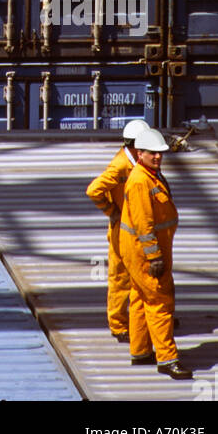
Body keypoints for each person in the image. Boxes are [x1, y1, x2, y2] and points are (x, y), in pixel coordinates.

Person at [120, 126, 191, 379]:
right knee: (160, 302)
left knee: (140, 298)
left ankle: (140, 352)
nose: (158, 157)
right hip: (145, 253)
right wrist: (155, 257)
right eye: (152, 153)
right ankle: (167, 359)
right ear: (140, 153)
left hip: (142, 250)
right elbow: (144, 224)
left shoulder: (151, 174)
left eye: (161, 153)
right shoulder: (140, 181)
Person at [86, 119, 148, 342]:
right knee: (120, 278)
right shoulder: (121, 165)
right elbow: (94, 191)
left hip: (138, 229)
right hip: (122, 231)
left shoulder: (141, 163)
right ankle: (119, 325)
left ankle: (144, 317)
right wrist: (112, 211)